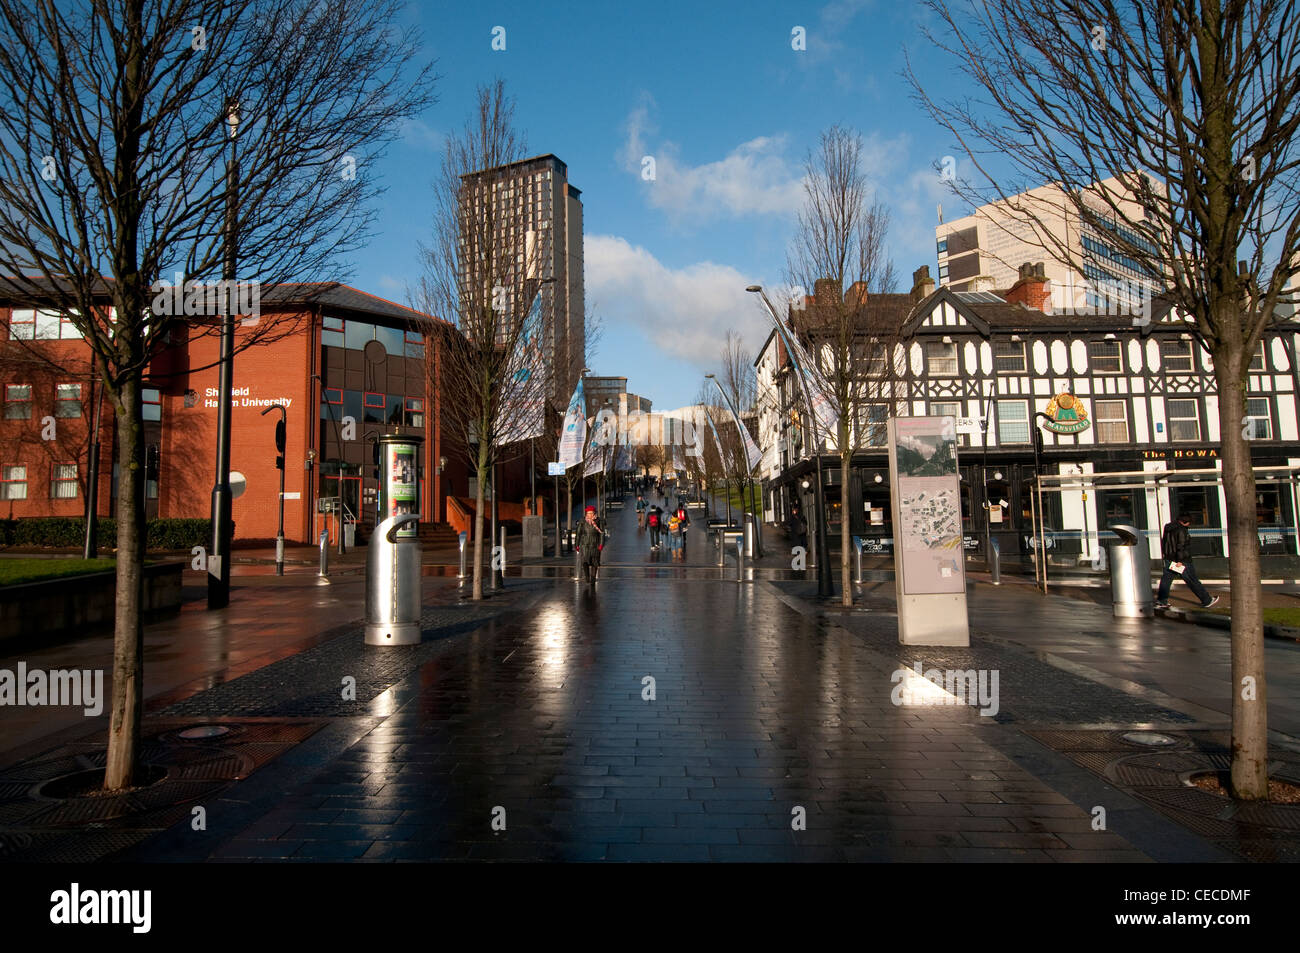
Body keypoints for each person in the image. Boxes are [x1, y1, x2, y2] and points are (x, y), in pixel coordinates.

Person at [1155, 512, 1219, 609]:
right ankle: (1207, 600)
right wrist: (1180, 560)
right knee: (1192, 580)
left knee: (1166, 580)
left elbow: (1165, 543)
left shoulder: (1168, 527)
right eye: (1189, 522)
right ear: (1185, 522)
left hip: (1169, 558)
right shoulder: (1182, 530)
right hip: (1181, 560)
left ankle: (1161, 601)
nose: (1189, 524)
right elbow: (1181, 546)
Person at [576, 505, 605, 584]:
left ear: (594, 513)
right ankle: (587, 576)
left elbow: (602, 534)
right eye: (588, 513)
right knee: (585, 561)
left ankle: (593, 578)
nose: (590, 515)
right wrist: (577, 545)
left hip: (595, 544)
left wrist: (601, 544)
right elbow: (578, 533)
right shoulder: (582, 521)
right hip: (585, 544)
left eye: (591, 513)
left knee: (594, 562)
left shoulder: (599, 521)